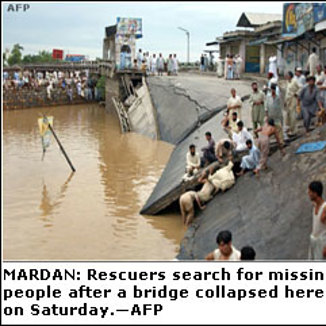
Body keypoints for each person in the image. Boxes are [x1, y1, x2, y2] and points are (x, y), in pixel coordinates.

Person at [308, 181, 326, 260]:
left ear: (315, 193)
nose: (308, 193)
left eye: (310, 191)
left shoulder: (325, 209)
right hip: (314, 241)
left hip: (322, 243)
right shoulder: (315, 205)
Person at [284, 71, 301, 136]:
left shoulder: (295, 81)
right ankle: (289, 129)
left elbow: (300, 87)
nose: (285, 76)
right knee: (287, 116)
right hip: (288, 100)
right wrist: (285, 101)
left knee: (292, 115)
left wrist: (296, 94)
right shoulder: (287, 82)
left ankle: (294, 130)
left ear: (290, 75)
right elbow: (287, 92)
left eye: (287, 75)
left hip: (293, 100)